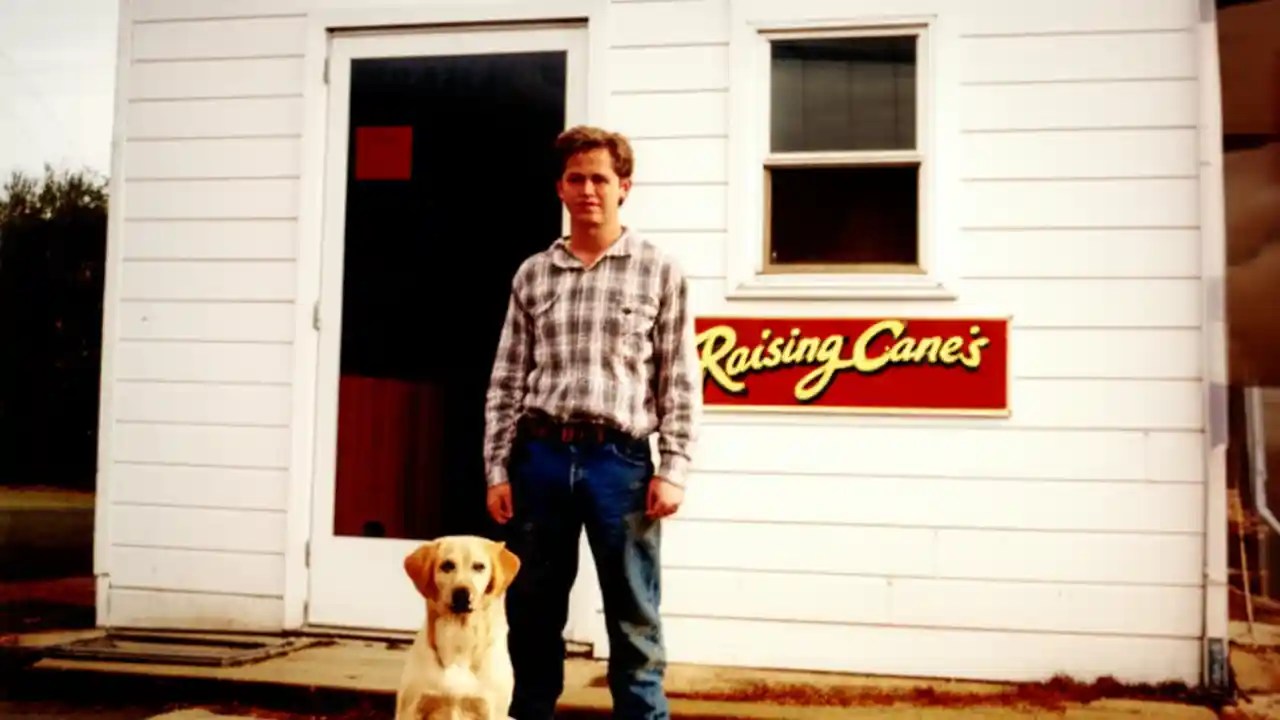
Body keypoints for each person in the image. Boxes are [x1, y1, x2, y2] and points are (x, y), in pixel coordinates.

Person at [482, 125, 699, 720]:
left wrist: (674, 467)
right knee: (532, 611)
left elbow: (680, 378)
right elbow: (506, 379)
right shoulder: (533, 274)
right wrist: (498, 469)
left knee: (633, 614)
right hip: (541, 461)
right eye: (575, 179)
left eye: (600, 178)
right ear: (560, 187)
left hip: (620, 464)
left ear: (623, 186)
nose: (588, 191)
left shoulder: (659, 271)